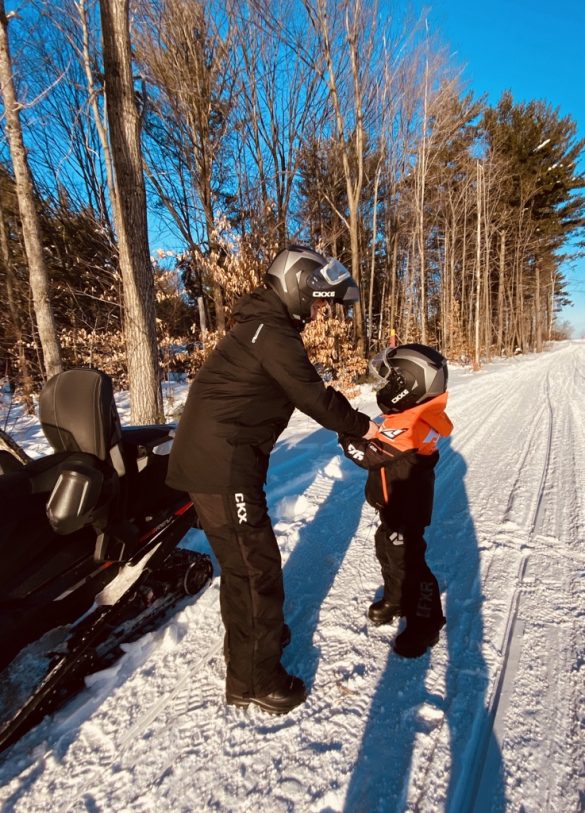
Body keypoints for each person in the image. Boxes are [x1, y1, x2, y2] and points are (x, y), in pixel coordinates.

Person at [167, 245, 377, 714]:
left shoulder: (262, 325)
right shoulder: (272, 333)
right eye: (320, 301)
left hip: (219, 461)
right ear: (299, 288)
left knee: (247, 565)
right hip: (222, 466)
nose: (321, 311)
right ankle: (255, 679)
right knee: (254, 568)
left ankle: (257, 640)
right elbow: (314, 398)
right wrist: (364, 426)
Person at [338, 343, 453, 658]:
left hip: (406, 510)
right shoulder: (413, 414)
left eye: (392, 381)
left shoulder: (412, 425)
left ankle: (426, 624)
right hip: (394, 508)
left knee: (411, 563)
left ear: (410, 387)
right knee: (388, 552)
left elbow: (369, 455)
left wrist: (344, 429)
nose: (386, 386)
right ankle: (396, 598)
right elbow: (380, 437)